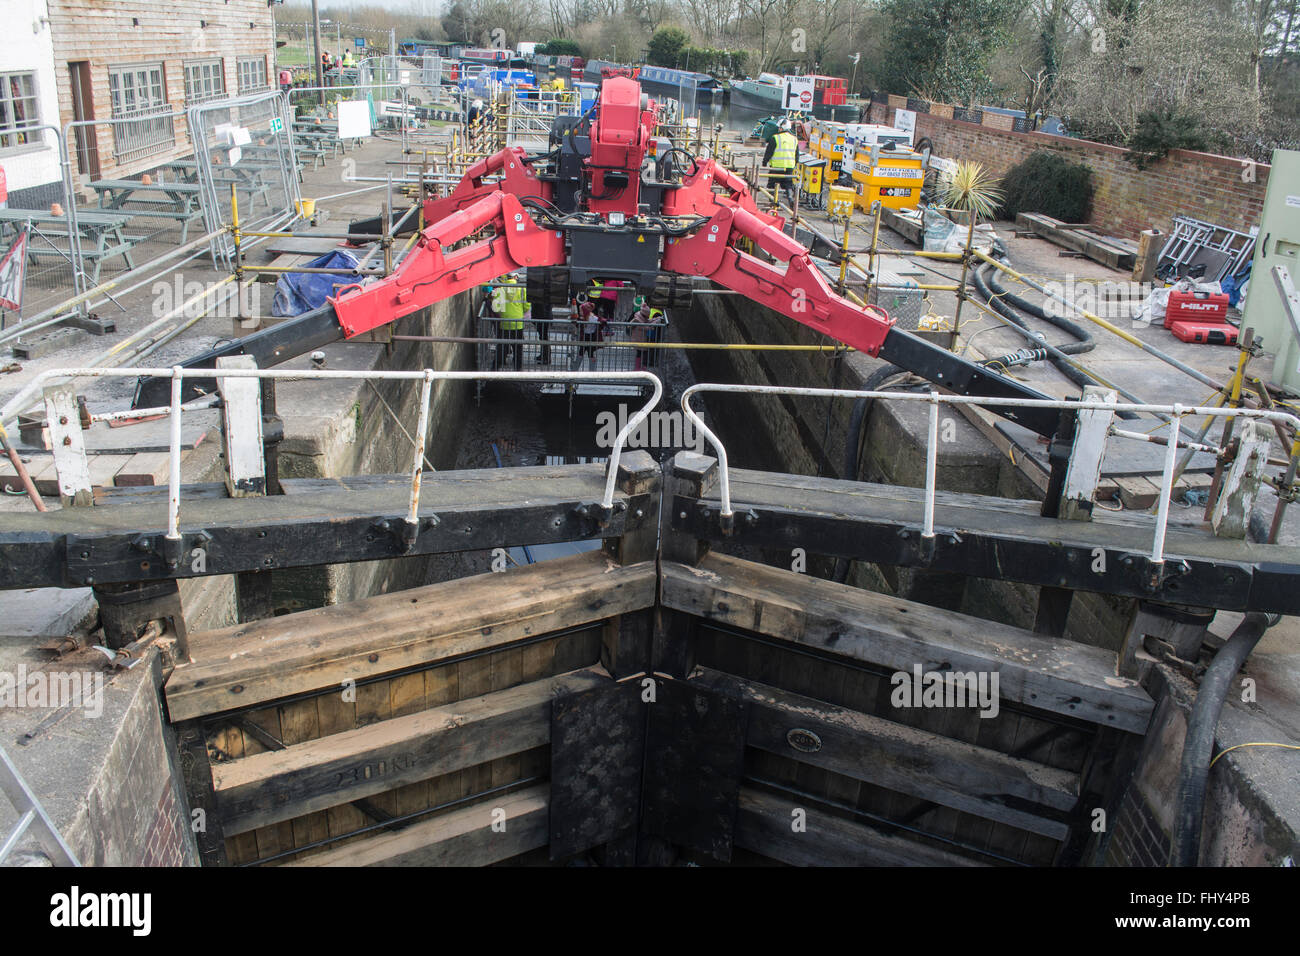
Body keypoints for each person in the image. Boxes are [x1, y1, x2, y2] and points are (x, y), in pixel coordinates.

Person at [491, 274, 528, 371]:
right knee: (518, 349)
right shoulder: (522, 289)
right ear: (515, 277)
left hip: (505, 323)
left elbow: (495, 307)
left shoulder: (500, 289)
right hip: (518, 323)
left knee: (502, 347)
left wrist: (503, 314)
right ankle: (518, 369)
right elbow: (527, 306)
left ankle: (494, 369)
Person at [569, 293, 607, 371]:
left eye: (581, 311)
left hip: (588, 337)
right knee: (589, 353)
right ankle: (591, 370)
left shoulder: (590, 318)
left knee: (583, 352)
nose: (580, 313)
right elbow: (602, 321)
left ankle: (576, 369)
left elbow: (578, 324)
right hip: (590, 337)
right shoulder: (592, 318)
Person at [628, 296, 667, 371]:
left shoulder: (640, 316)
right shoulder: (638, 320)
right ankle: (637, 367)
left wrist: (657, 319)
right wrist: (656, 322)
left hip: (640, 339)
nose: (647, 318)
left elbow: (648, 321)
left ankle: (639, 366)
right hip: (638, 340)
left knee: (640, 353)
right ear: (644, 315)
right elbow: (647, 327)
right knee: (640, 353)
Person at [768, 122, 797, 206]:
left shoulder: (775, 138)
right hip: (789, 166)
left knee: (772, 184)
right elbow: (797, 154)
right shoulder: (794, 139)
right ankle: (790, 198)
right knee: (788, 184)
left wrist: (764, 161)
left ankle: (773, 200)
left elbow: (769, 152)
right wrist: (795, 163)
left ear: (781, 128)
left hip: (776, 166)